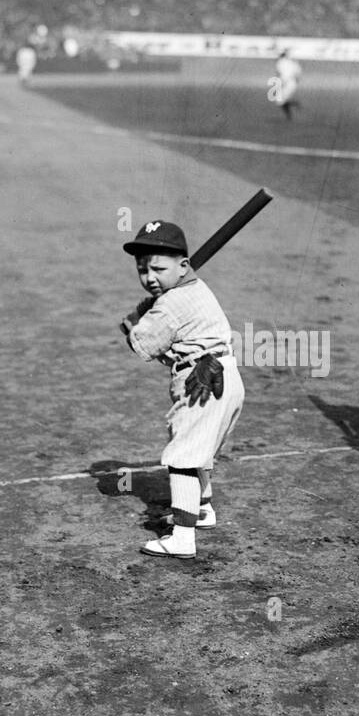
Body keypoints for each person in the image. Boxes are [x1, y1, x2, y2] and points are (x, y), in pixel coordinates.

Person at [120, 220, 244, 560]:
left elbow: (144, 344)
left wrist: (133, 325)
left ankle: (182, 538)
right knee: (197, 448)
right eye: (143, 270)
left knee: (184, 457)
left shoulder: (171, 304)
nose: (150, 278)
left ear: (183, 266)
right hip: (225, 377)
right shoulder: (194, 289)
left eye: (159, 268)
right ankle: (201, 510)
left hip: (202, 380)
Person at [271, 48, 302, 119]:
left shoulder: (280, 63)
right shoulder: (293, 62)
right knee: (281, 100)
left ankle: (293, 108)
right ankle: (292, 110)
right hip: (292, 83)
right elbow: (298, 73)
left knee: (279, 100)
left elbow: (278, 74)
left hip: (285, 83)